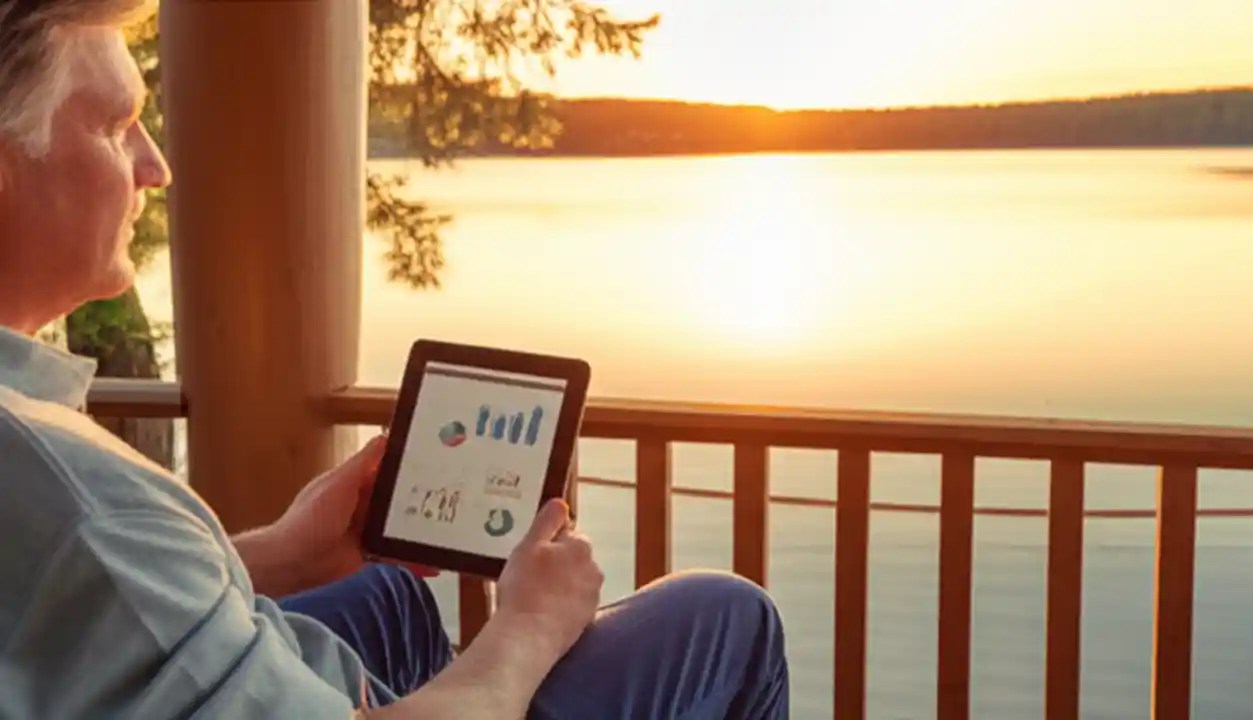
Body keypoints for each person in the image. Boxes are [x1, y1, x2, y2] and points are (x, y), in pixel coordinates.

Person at [0, 2, 789, 718]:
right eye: (113, 126)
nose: (154, 167)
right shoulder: (78, 497)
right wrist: (525, 631)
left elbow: (77, 609)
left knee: (383, 590)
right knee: (725, 617)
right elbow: (91, 554)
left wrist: (286, 554)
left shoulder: (61, 492)